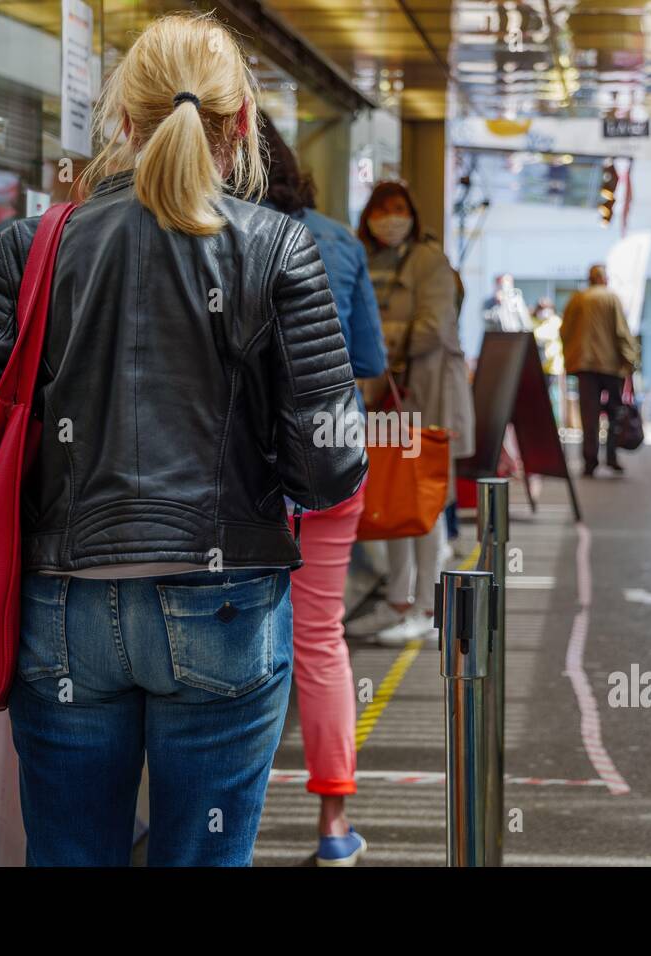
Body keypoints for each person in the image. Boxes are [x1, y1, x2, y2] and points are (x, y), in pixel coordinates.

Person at [0, 13, 366, 866]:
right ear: (243, 124)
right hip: (225, 609)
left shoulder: (30, 247)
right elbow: (329, 467)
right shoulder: (279, 249)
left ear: (120, 120)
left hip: (60, 611)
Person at [257, 115, 385, 864]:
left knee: (226, 632)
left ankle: (206, 818)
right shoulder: (337, 237)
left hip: (245, 474)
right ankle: (334, 827)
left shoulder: (218, 234)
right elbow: (367, 355)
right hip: (331, 462)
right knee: (320, 641)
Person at [347, 181, 475, 646]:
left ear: (413, 214)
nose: (391, 218)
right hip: (384, 396)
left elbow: (432, 327)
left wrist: (375, 348)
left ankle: (426, 605)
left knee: (426, 502)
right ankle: (397, 600)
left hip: (423, 393)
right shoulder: (362, 254)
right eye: (382, 210)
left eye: (399, 208)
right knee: (395, 499)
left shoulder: (429, 260)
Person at [561, 264, 640, 476]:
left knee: (589, 414)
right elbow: (621, 332)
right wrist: (630, 360)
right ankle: (611, 456)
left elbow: (565, 331)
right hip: (610, 366)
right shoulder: (611, 298)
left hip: (584, 365)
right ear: (604, 279)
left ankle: (589, 461)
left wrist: (570, 358)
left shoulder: (577, 299)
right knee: (615, 412)